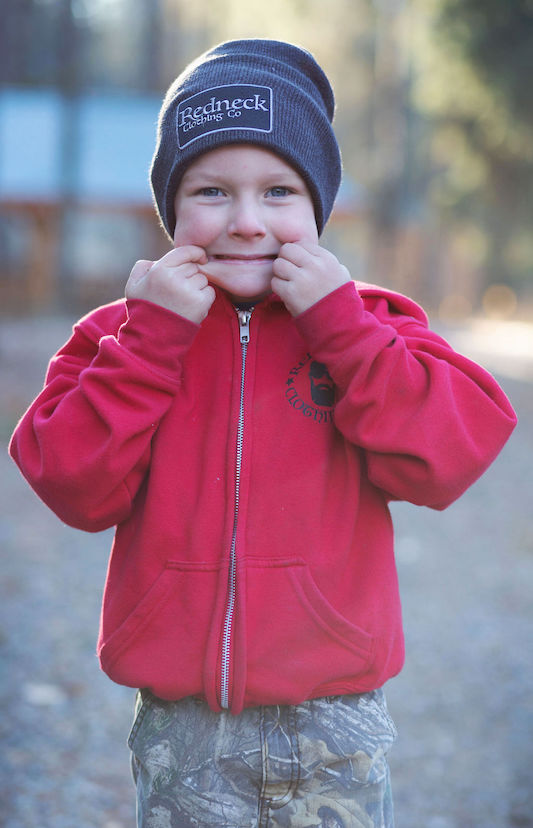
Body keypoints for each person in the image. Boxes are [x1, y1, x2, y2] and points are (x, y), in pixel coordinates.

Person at [9, 39, 517, 828]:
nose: (246, 222)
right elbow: (71, 481)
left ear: (317, 204)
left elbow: (444, 459)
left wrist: (342, 331)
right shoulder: (127, 334)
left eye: (278, 191)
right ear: (170, 209)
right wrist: (150, 344)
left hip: (334, 712)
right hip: (184, 723)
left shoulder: (368, 325)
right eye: (211, 191)